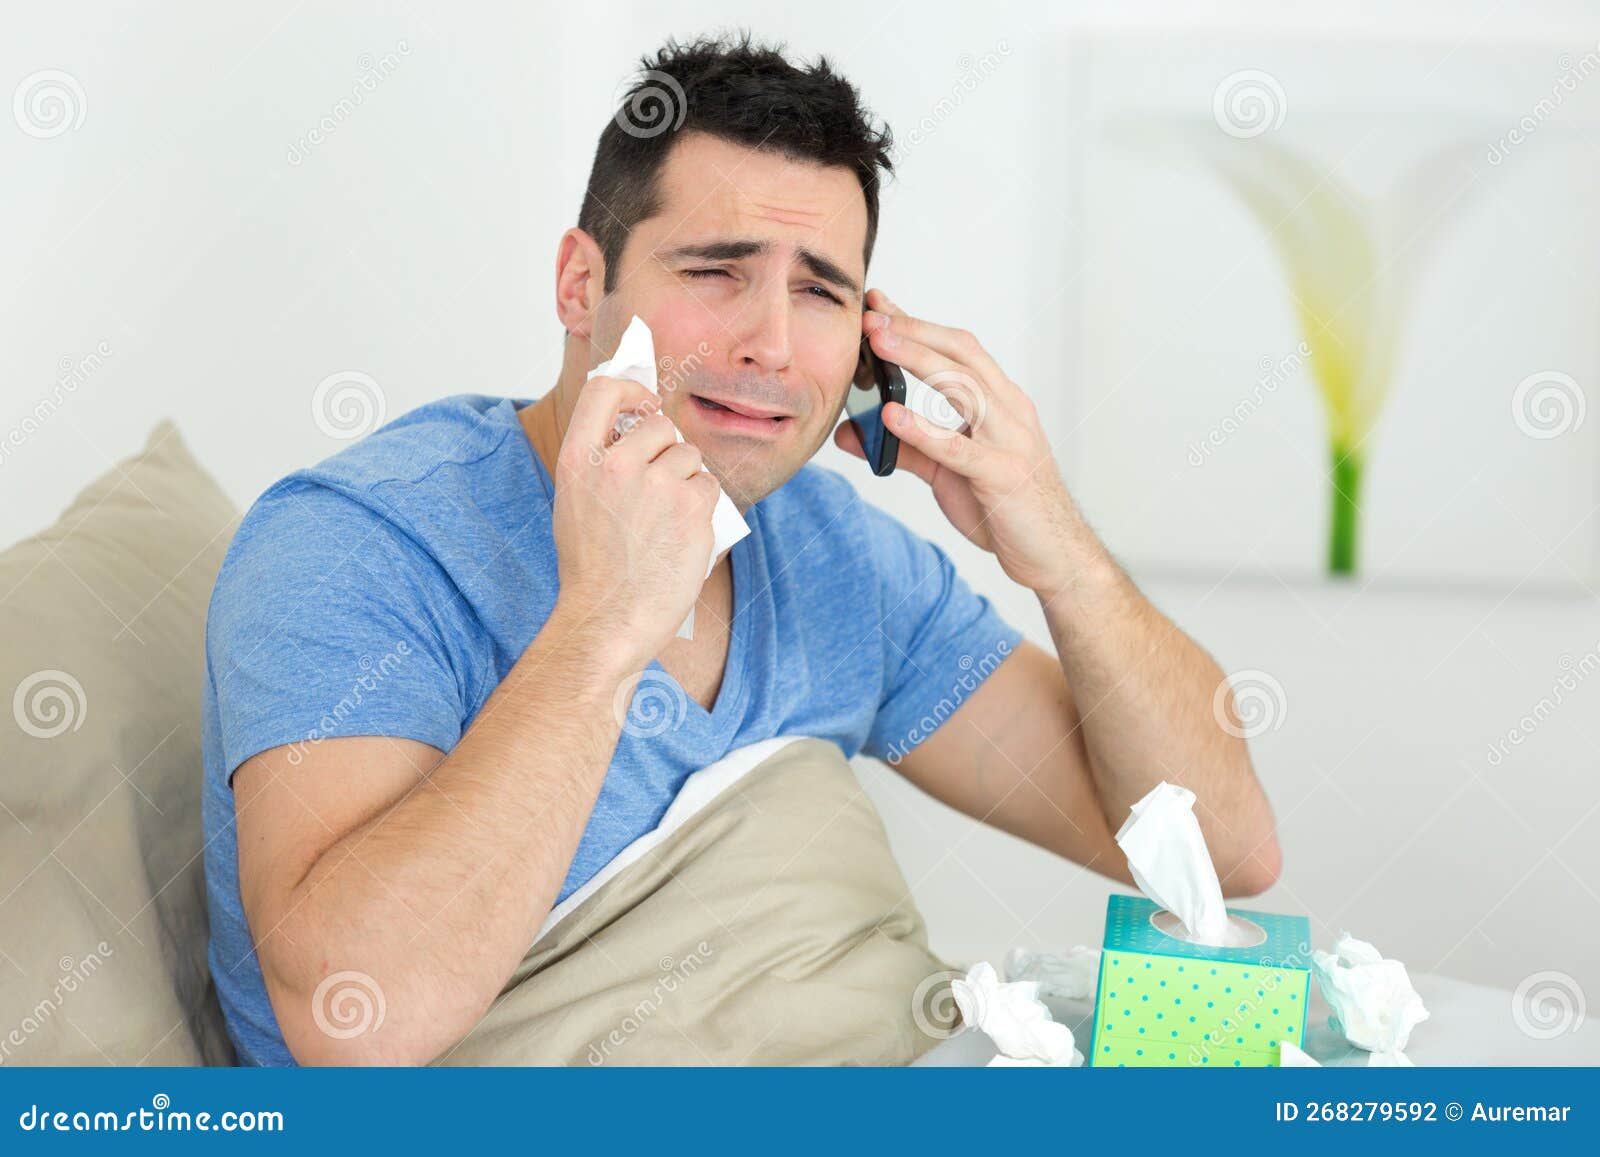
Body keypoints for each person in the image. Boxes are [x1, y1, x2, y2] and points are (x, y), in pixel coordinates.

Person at [201, 31, 1281, 1066]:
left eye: (820, 289)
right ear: (581, 286)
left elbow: (1221, 856)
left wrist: (1063, 558)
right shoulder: (353, 545)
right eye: (716, 270)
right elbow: (357, 1022)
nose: (771, 340)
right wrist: (604, 626)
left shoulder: (836, 554)